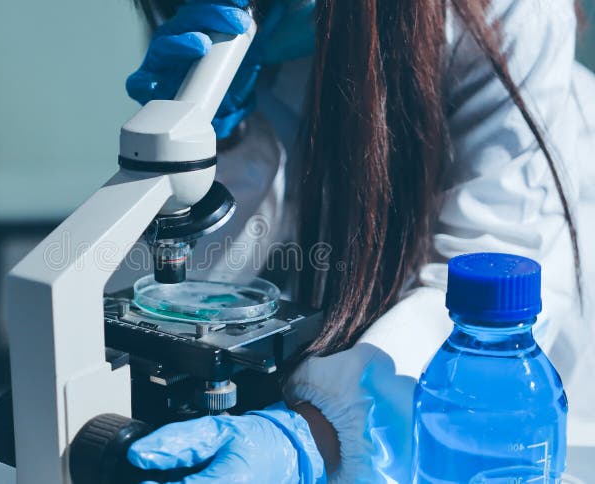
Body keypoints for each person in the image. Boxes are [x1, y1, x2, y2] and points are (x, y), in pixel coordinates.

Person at [122, 0, 595, 482]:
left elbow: (484, 293)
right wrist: (217, 150)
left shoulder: (510, 13)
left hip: (485, 432)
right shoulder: (215, 23)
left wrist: (307, 438)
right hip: (301, 388)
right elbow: (189, 292)